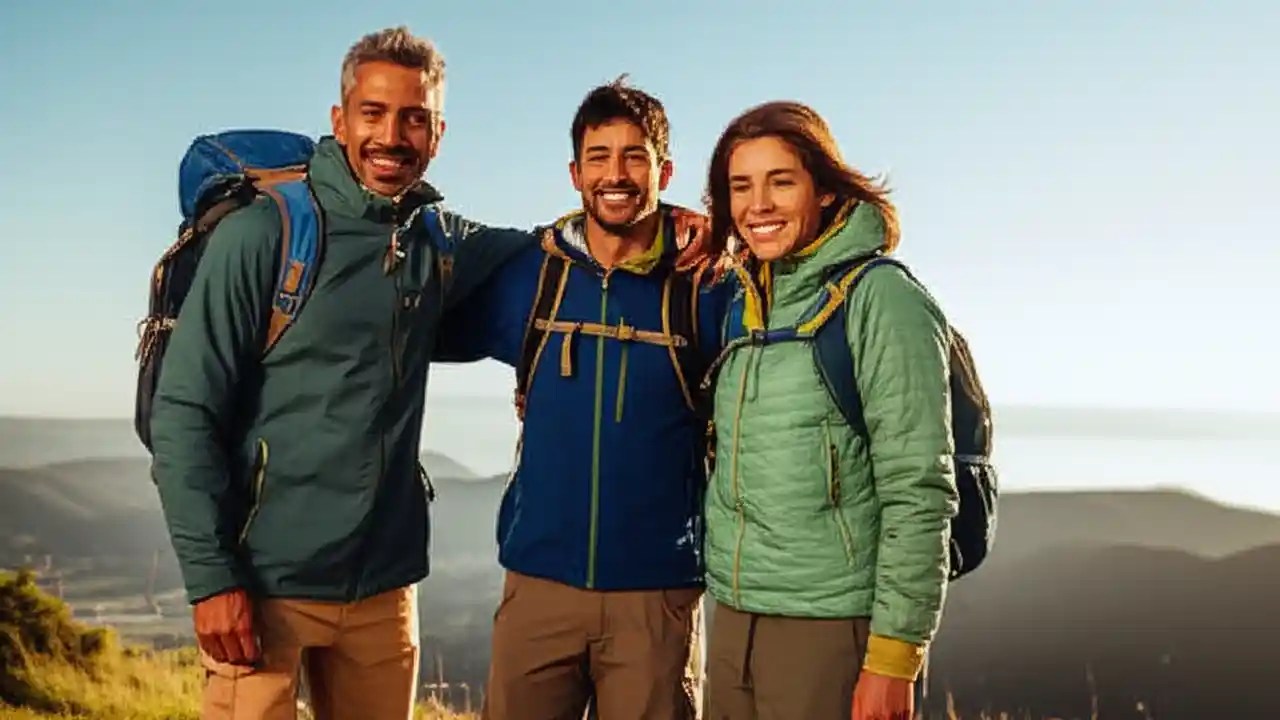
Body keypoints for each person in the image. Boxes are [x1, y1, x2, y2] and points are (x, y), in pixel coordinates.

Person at [148, 26, 534, 720]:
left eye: (414, 118)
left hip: (385, 591)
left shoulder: (435, 239)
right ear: (339, 120)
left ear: (437, 134)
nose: (393, 135)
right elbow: (184, 412)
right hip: (265, 584)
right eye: (374, 113)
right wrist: (211, 582)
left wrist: (668, 222)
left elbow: (552, 249)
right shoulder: (263, 234)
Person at [433, 76, 731, 720]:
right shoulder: (530, 276)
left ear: (665, 170)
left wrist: (726, 234)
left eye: (634, 156)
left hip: (657, 598)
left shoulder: (706, 288)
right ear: (574, 172)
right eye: (599, 157)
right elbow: (406, 325)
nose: (615, 175)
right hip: (538, 589)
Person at [697, 100, 959, 720]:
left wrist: (893, 660)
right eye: (741, 186)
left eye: (780, 181)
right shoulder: (741, 301)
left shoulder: (881, 298)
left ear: (822, 188)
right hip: (735, 619)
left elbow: (919, 488)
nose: (758, 205)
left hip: (832, 627)